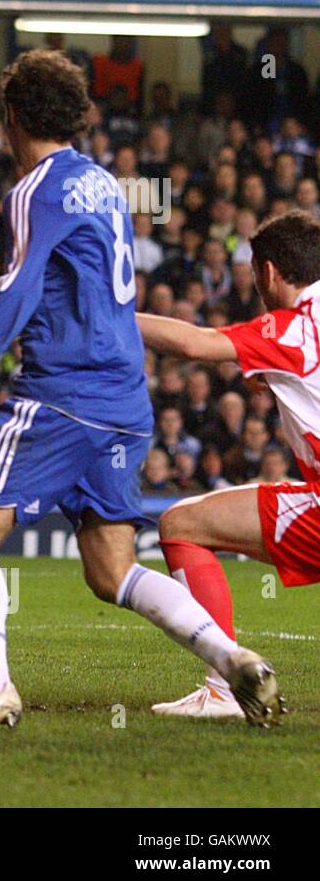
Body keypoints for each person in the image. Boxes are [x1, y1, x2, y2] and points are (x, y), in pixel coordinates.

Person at [0, 51, 280, 733]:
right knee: (111, 570)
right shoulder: (103, 182)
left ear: (12, 116)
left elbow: (17, 286)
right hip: (124, 400)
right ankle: (232, 658)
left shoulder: (35, 189)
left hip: (59, 393)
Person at [139, 210, 320, 719]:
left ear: (268, 272)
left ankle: (223, 689)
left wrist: (109, 312)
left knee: (181, 525)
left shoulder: (291, 327)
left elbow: (194, 344)